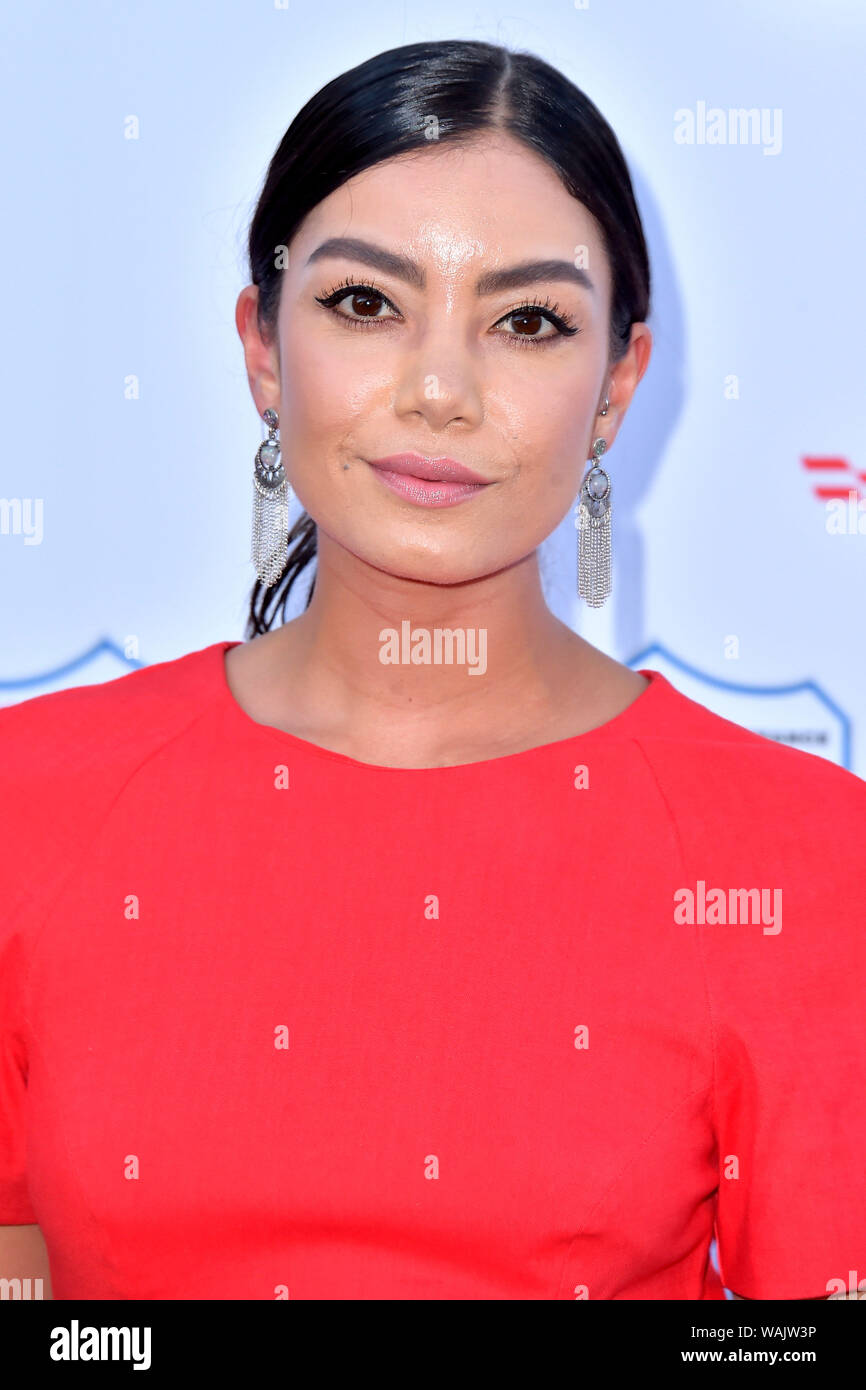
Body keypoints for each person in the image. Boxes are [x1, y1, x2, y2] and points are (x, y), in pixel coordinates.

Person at [1, 38, 863, 1302]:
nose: (440, 389)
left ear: (617, 381)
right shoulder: (34, 799)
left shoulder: (797, 858)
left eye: (527, 321)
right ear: (260, 345)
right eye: (364, 303)